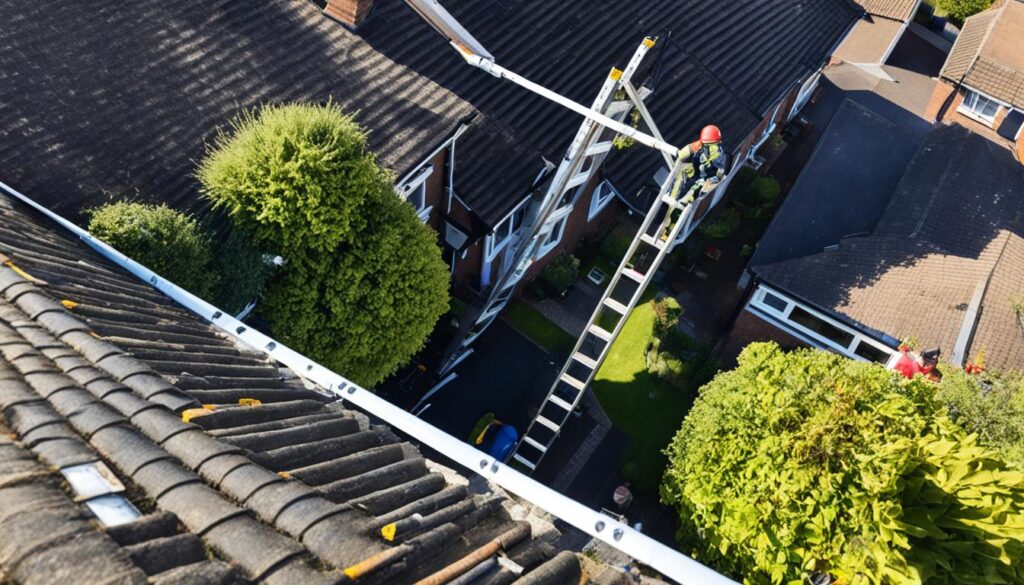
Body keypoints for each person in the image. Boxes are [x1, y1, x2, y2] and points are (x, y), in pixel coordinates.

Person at [678, 125, 727, 204]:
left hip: (699, 178)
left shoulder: (701, 146)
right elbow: (682, 155)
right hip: (698, 177)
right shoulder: (710, 149)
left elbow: (681, 154)